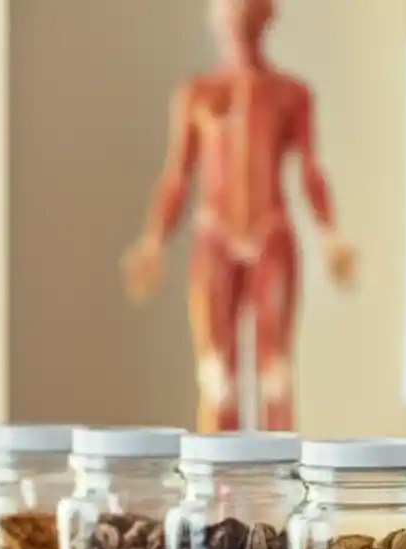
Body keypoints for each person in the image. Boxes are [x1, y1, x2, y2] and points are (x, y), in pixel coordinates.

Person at [121, 0, 356, 432]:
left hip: (270, 232)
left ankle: (279, 490)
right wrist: (154, 239)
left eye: (248, 15)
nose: (238, 26)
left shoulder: (290, 94)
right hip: (215, 235)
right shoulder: (198, 94)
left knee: (275, 376)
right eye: (230, 15)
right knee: (217, 378)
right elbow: (178, 174)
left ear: (266, 18)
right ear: (215, 19)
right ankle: (219, 493)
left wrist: (330, 234)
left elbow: (309, 170)